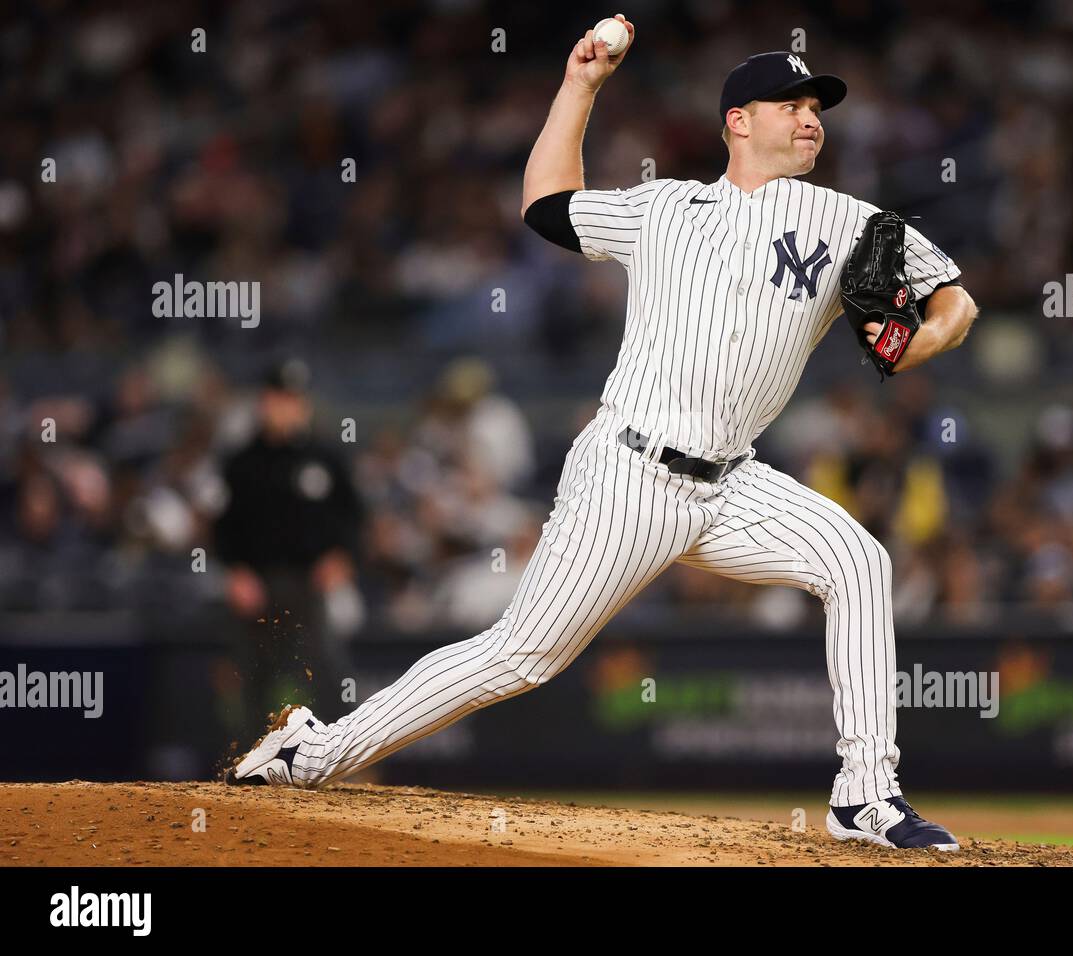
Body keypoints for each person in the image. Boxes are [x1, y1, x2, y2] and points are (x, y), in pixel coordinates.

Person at [227, 18, 979, 851]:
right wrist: (581, 85)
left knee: (860, 562)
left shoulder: (852, 222)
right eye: (790, 104)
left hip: (732, 482)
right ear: (738, 120)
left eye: (817, 107)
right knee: (520, 657)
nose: (811, 119)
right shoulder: (666, 208)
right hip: (630, 474)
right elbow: (545, 205)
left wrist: (923, 338)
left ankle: (866, 796)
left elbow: (954, 299)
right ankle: (314, 748)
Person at [214, 358, 364, 725]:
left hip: (311, 586)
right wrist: (234, 572)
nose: (287, 408)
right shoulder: (241, 463)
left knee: (328, 673)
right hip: (257, 587)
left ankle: (343, 757)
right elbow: (223, 526)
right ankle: (246, 760)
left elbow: (354, 517)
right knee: (251, 676)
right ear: (264, 402)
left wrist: (342, 556)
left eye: (295, 399)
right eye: (280, 398)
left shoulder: (326, 458)